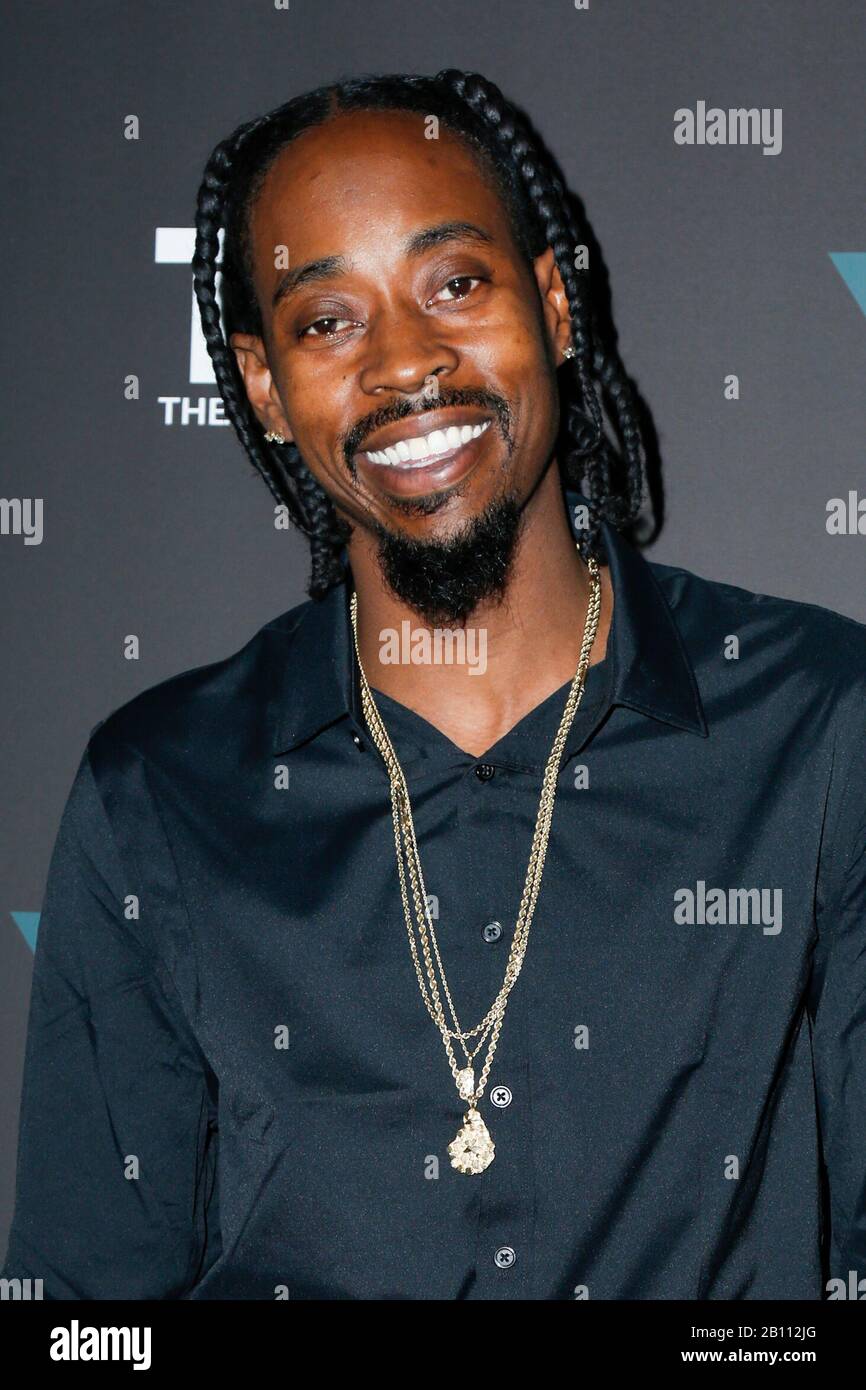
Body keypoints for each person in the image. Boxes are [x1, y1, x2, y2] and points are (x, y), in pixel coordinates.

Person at [3, 69, 865, 1301]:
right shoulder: (157, 791)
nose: (407, 364)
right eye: (326, 321)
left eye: (455, 284)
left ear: (555, 305)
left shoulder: (821, 728)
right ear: (260, 385)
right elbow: (83, 1316)